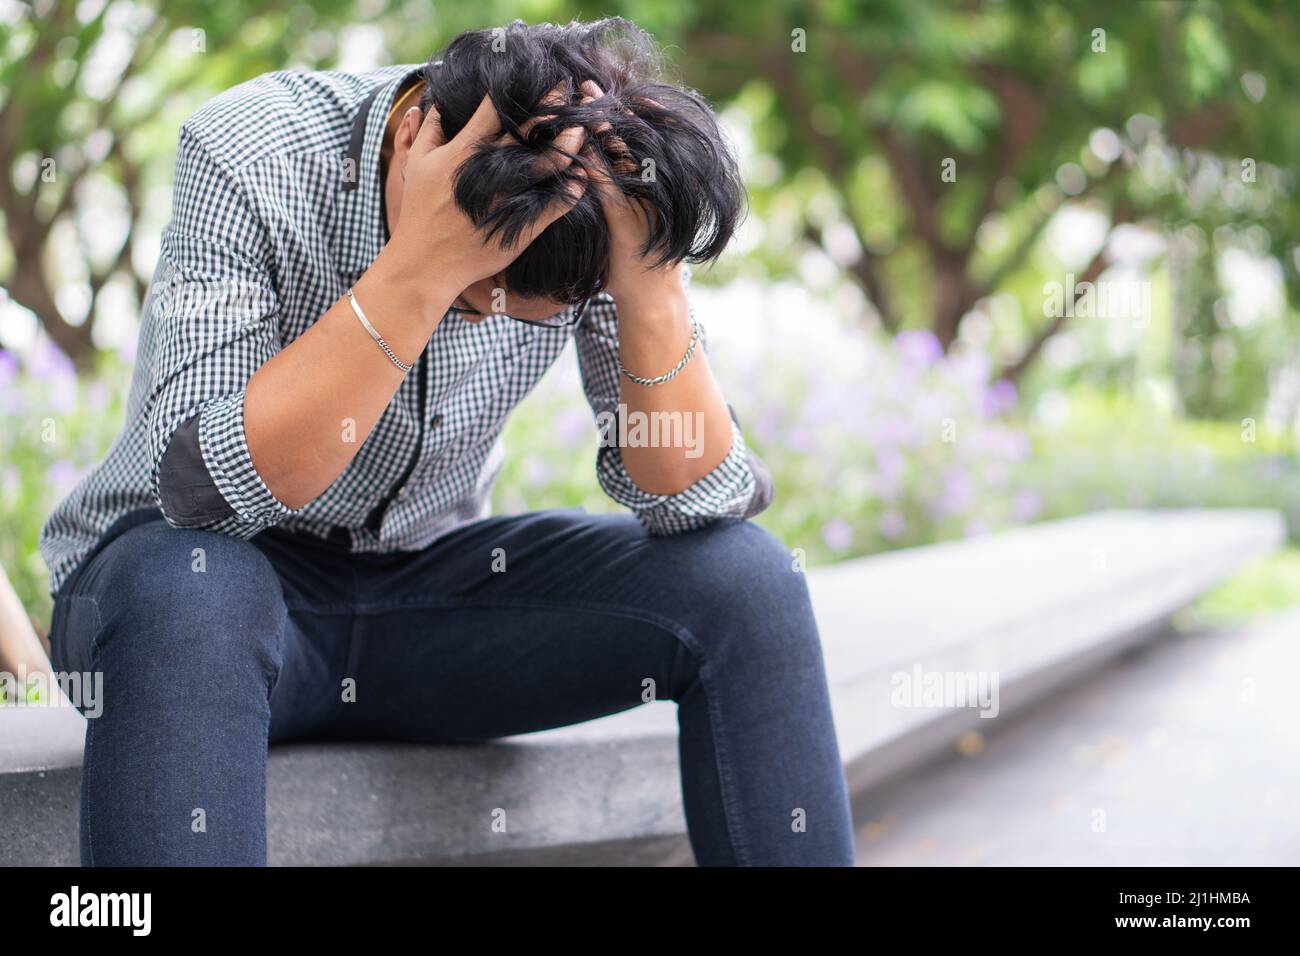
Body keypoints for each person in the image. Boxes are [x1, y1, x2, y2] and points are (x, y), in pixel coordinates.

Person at [40, 17, 854, 866]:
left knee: (747, 582)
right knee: (195, 585)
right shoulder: (254, 148)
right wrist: (424, 267)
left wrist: (647, 284)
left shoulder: (585, 192)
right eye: (476, 297)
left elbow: (691, 498)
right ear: (408, 134)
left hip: (425, 605)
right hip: (181, 608)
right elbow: (200, 493)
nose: (482, 316)